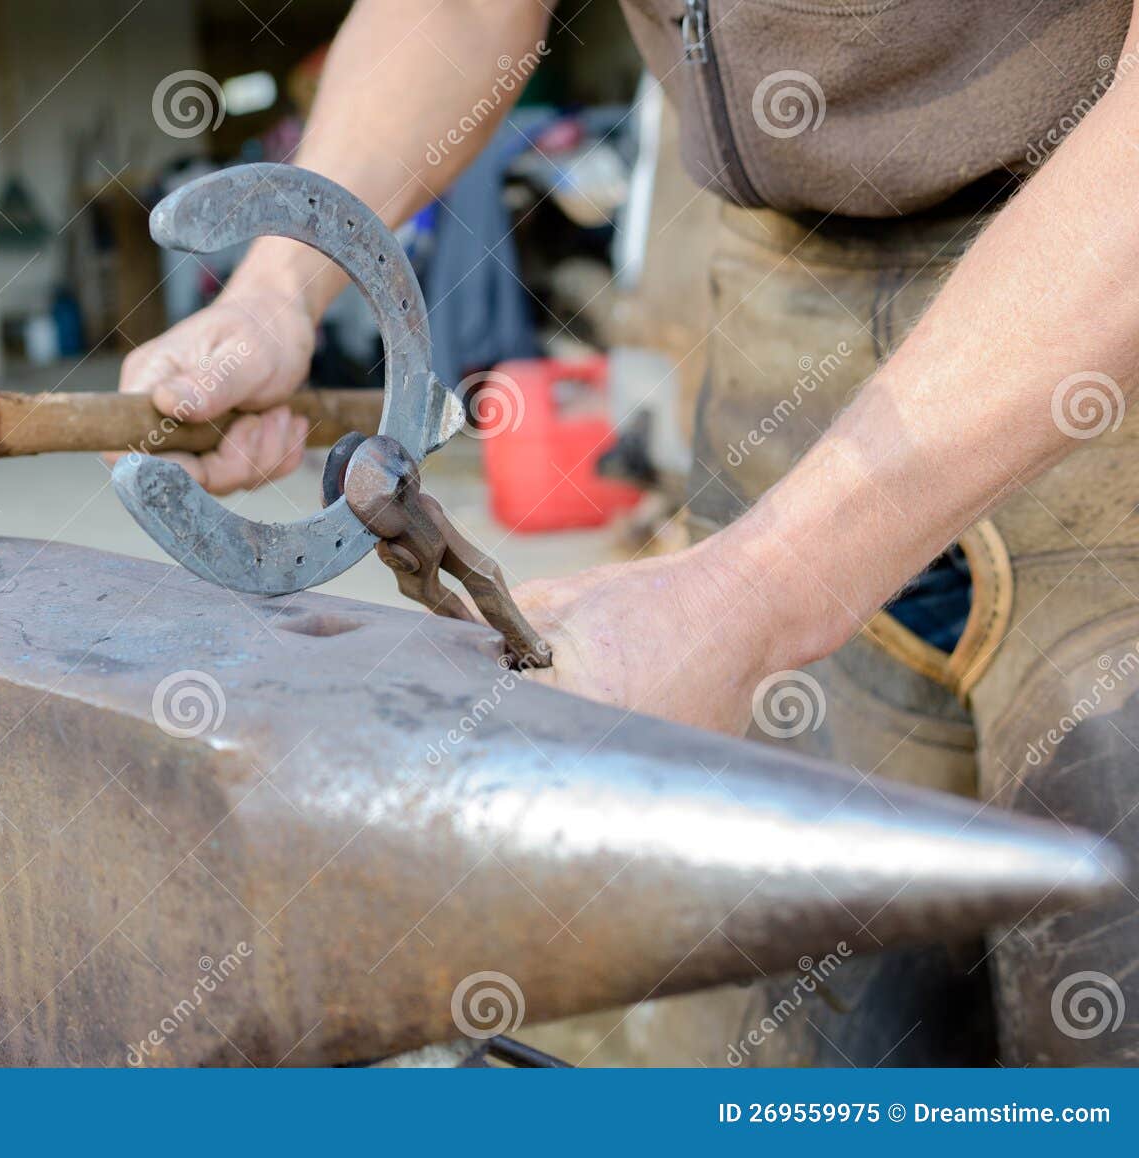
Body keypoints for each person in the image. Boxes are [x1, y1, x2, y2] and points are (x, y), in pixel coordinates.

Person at [116, 0, 1139, 1064]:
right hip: (784, 279)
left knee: (1105, 981)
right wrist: (282, 283)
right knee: (790, 1012)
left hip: (1097, 267)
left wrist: (753, 591)